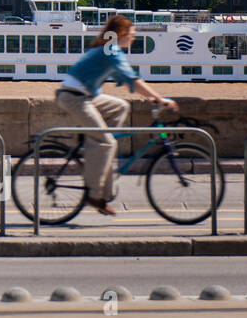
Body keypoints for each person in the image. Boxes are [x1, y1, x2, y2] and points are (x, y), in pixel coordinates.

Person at [54, 15, 177, 217]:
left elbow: (127, 79)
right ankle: (94, 194)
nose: (134, 38)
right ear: (121, 34)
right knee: (107, 144)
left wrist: (150, 97)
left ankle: (97, 146)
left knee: (120, 106)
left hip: (85, 96)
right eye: (132, 34)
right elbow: (133, 80)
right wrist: (158, 99)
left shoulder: (108, 48)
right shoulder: (111, 50)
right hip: (75, 98)